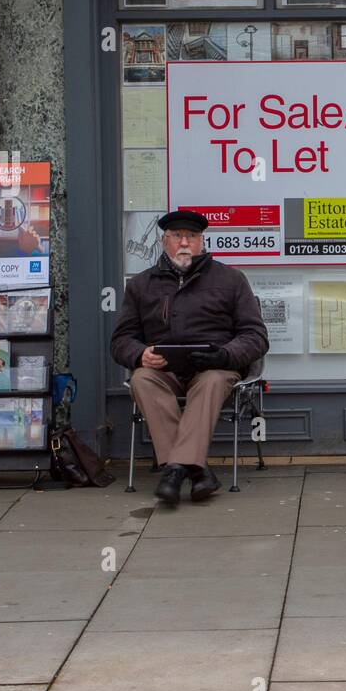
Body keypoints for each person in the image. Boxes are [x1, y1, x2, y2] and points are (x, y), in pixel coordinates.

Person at [111, 210, 269, 504]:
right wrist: (140, 354)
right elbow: (120, 341)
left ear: (202, 242)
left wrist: (224, 355)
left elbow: (256, 337)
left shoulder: (231, 280)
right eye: (177, 236)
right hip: (164, 371)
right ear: (164, 241)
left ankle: (174, 471)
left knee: (210, 382)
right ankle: (197, 472)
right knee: (142, 379)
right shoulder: (141, 285)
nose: (184, 242)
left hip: (217, 368)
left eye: (192, 236)